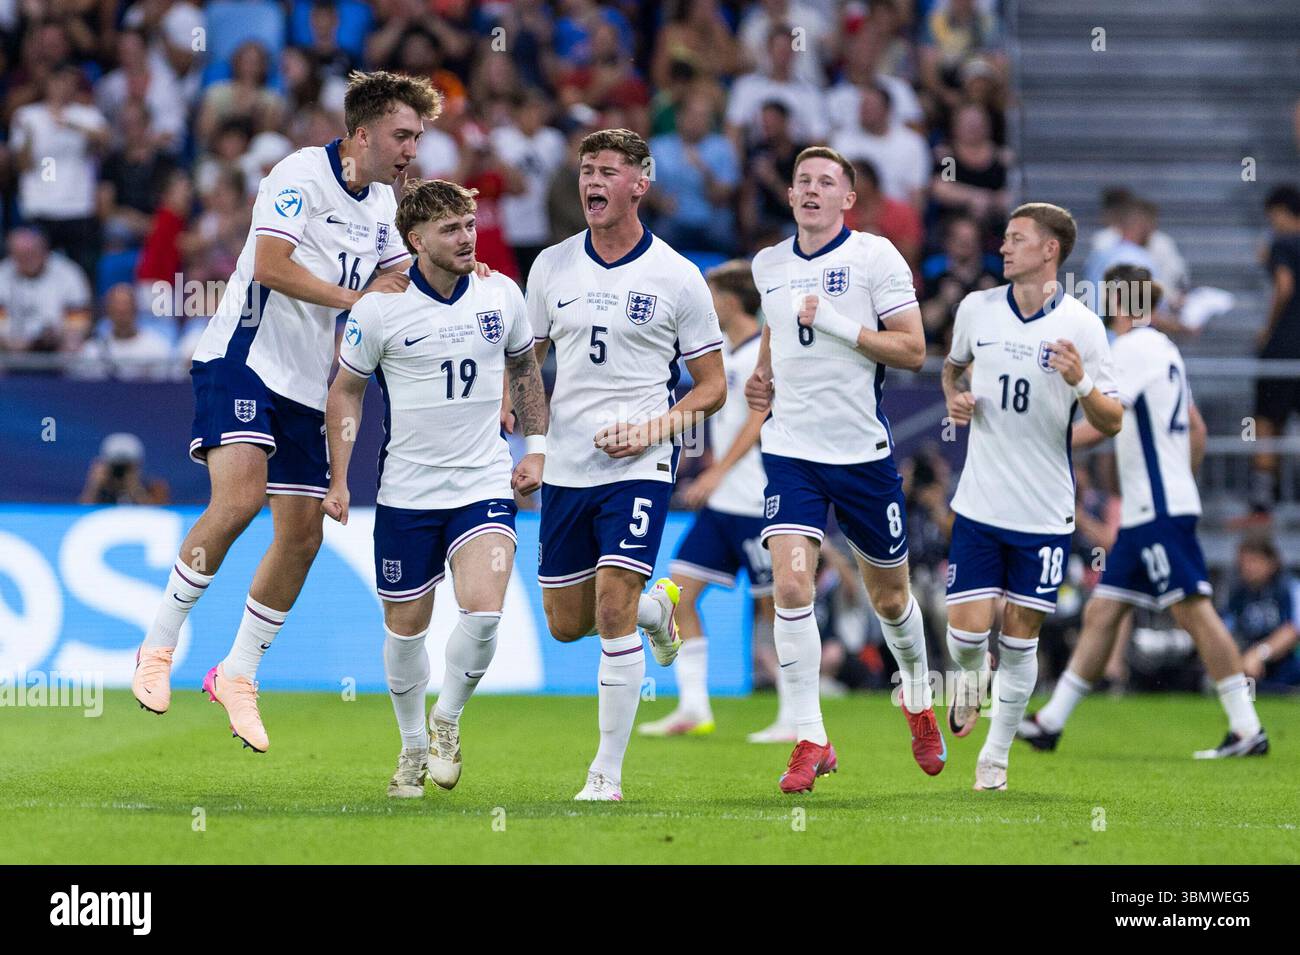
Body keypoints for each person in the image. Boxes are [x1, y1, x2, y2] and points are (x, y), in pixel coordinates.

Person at [129, 71, 443, 752]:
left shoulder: (384, 203)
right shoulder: (298, 174)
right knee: (238, 499)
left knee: (302, 536)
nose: (413, 147)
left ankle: (237, 672)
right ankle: (158, 645)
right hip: (242, 357)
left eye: (418, 135)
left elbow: (400, 283)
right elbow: (270, 264)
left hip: (305, 383)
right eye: (403, 134)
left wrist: (456, 272)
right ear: (364, 133)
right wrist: (352, 298)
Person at [323, 178, 548, 797]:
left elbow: (525, 366)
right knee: (405, 632)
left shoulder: (501, 294)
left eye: (470, 225)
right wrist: (338, 476)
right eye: (450, 229)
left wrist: (536, 449)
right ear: (416, 239)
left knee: (484, 609)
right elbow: (345, 389)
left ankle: (445, 718)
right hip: (406, 493)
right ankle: (412, 746)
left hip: (481, 483)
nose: (467, 238)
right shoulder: (379, 309)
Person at [527, 128, 727, 801]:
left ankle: (605, 774)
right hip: (567, 466)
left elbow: (712, 387)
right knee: (566, 623)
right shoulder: (552, 265)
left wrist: (653, 430)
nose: (593, 182)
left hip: (641, 466)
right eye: (586, 170)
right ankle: (654, 611)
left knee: (608, 608)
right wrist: (529, 442)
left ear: (639, 183)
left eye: (607, 170)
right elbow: (526, 365)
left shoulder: (677, 275)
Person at [744, 146, 945, 795]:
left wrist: (835, 324)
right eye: (801, 179)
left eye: (825, 181)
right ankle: (811, 736)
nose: (810, 189)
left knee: (891, 597)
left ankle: (916, 697)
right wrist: (764, 366)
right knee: (792, 586)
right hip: (792, 451)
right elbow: (777, 324)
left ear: (847, 199)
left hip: (861, 455)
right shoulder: (767, 263)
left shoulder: (875, 257)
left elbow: (913, 349)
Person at [1018, 266, 1267, 759]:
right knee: (1104, 610)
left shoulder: (1131, 350)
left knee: (1192, 608)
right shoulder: (1165, 350)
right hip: (1151, 507)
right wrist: (1182, 480)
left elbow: (1106, 420)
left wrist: (1042, 443)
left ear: (1116, 304)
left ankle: (1246, 727)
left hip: (1156, 509)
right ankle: (1050, 721)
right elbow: (1195, 428)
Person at [941, 202, 1123, 791]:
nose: (1004, 246)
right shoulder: (977, 309)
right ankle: (971, 680)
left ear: (1051, 251)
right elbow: (953, 368)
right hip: (979, 503)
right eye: (1006, 237)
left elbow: (1113, 419)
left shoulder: (1083, 327)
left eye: (1017, 239)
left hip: (1043, 510)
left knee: (1021, 640)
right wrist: (956, 397)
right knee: (964, 636)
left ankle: (995, 758)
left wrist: (1081, 382)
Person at [638, 259, 776, 740]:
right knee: (677, 596)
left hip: (758, 501)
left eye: (713, 294)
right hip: (723, 505)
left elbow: (759, 420)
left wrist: (717, 471)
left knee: (777, 608)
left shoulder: (763, 350)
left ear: (733, 300)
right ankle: (694, 706)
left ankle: (796, 716)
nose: (706, 304)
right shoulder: (724, 356)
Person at [1247, 185, 1300, 518]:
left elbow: (1284, 285)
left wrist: (1268, 330)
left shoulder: (1282, 243)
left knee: (1267, 422)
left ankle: (1262, 506)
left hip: (1284, 346)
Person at [1222, 535, 1300, 692]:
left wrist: (1260, 654)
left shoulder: (1288, 587)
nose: (1248, 567)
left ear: (1271, 562)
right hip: (1248, 668)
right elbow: (1224, 630)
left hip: (1286, 664)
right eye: (1244, 562)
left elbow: (1293, 630)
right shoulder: (1238, 593)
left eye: (1254, 561)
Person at [0, 227, 92, 354]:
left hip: (59, 347)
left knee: (84, 349)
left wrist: (59, 336)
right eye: (21, 255)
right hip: (10, 350)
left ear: (45, 251)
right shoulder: (2, 274)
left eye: (32, 253)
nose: (27, 259)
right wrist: (12, 343)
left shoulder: (69, 273)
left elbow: (80, 321)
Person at [79, 433, 170, 506]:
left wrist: (134, 488)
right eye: (115, 465)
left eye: (126, 466)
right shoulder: (100, 491)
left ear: (138, 465)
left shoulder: (155, 488)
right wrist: (94, 486)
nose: (121, 470)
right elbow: (82, 516)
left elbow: (159, 517)